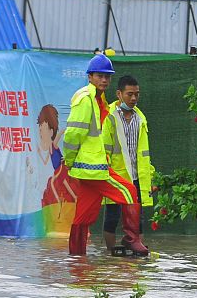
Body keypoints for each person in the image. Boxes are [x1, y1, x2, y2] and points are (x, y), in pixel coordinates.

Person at [61, 53, 150, 257]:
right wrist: (70, 159)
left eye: (107, 76)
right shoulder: (86, 98)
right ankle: (131, 240)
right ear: (90, 76)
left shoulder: (98, 99)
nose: (104, 80)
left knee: (83, 215)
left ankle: (76, 258)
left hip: (91, 166)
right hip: (92, 167)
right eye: (100, 76)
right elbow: (74, 132)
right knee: (129, 191)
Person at [102, 75, 155, 255]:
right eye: (129, 94)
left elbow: (143, 152)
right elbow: (104, 148)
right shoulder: (108, 116)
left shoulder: (140, 118)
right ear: (119, 94)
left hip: (136, 176)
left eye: (137, 95)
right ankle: (110, 254)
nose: (133, 99)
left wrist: (150, 174)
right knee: (112, 216)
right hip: (115, 175)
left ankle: (134, 247)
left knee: (137, 216)